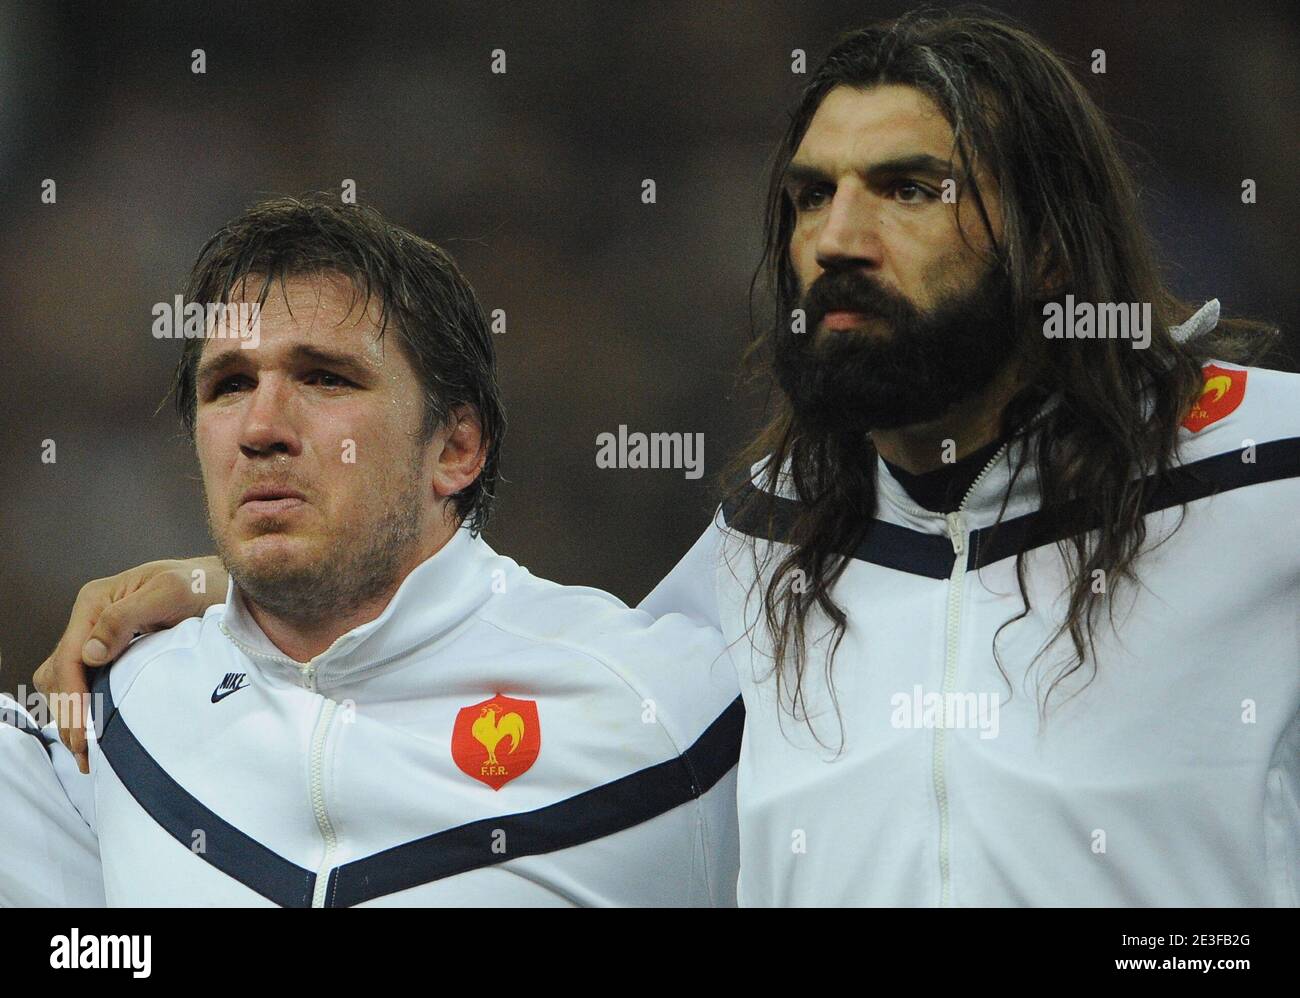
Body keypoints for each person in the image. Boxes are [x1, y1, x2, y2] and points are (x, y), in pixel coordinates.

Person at [33, 10, 1299, 908]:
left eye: (908, 188)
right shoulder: (773, 546)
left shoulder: (1264, 471)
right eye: (808, 197)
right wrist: (233, 587)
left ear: (1056, 246)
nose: (837, 238)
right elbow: (498, 638)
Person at [9, 194, 740, 907]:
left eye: (325, 378)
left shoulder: (662, 707)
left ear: (455, 448)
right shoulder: (111, 717)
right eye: (229, 384)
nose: (261, 427)